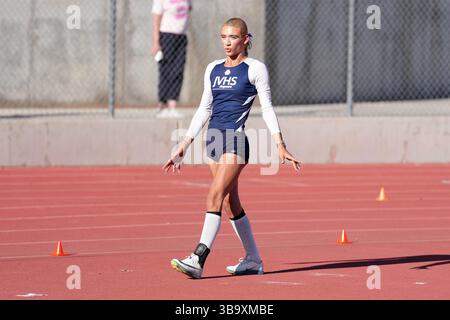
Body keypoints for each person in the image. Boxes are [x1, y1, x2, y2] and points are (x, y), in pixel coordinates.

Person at [163, 18, 301, 279]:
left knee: (213, 195)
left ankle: (197, 258)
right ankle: (253, 259)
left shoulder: (254, 68)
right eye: (223, 37)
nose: (227, 42)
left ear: (246, 39)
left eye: (233, 37)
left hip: (235, 141)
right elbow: (204, 108)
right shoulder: (213, 69)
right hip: (212, 140)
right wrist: (184, 145)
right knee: (228, 203)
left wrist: (279, 144)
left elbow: (267, 107)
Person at [151, 0, 192, 118]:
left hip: (181, 36)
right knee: (166, 70)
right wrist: (156, 41)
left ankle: (172, 106)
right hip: (166, 36)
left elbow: (188, 9)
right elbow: (156, 19)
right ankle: (162, 106)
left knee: (178, 70)